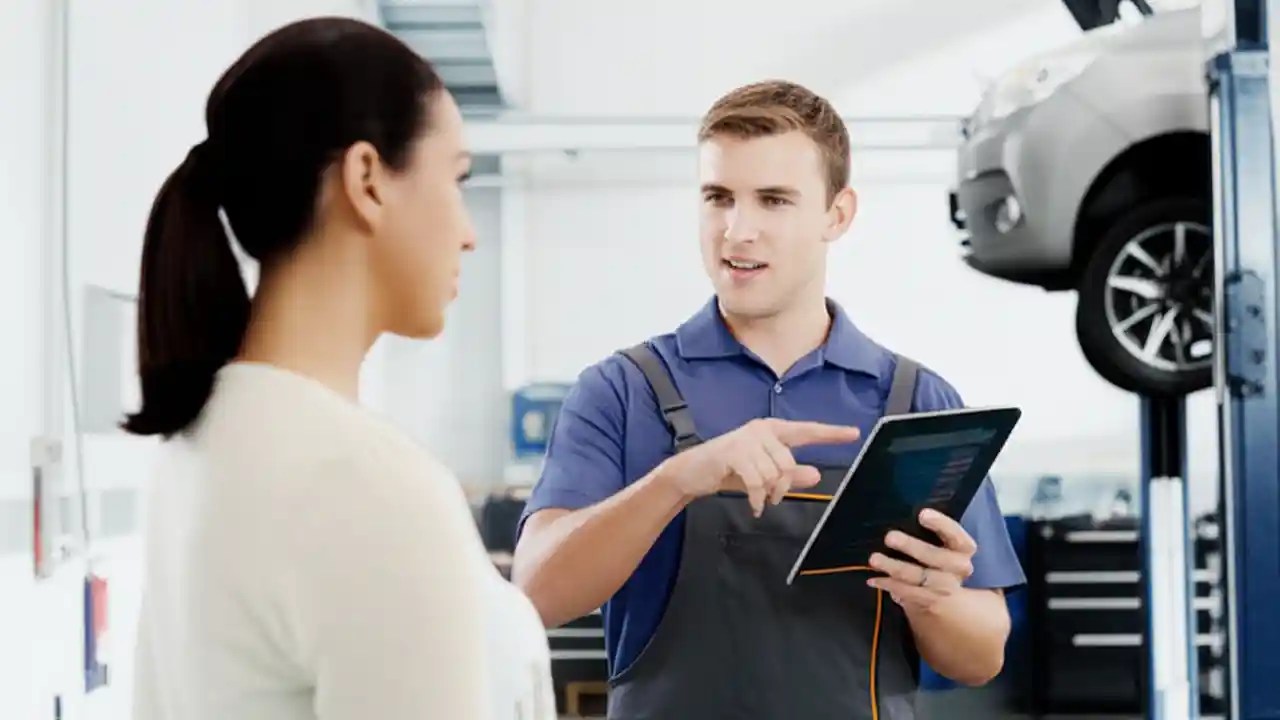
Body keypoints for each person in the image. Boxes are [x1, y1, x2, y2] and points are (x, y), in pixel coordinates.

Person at [511, 79, 1027, 719]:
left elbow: (981, 659)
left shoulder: (915, 403)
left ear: (837, 215)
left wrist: (932, 597)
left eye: (774, 200)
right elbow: (533, 594)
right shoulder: (622, 392)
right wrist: (678, 479)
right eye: (718, 198)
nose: (738, 230)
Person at [123, 18, 553, 720]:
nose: (469, 232)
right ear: (368, 180)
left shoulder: (201, 442)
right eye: (458, 178)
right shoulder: (368, 485)